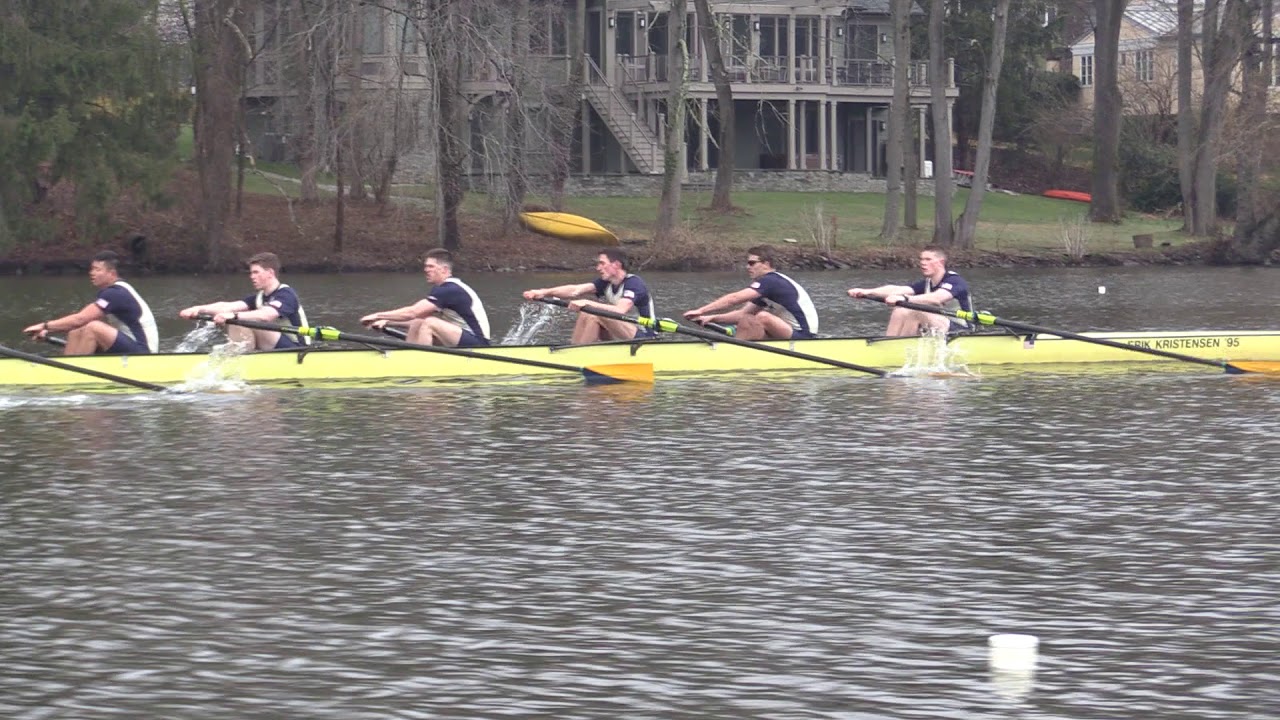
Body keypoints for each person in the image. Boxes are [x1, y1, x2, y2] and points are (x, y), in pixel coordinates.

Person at [23, 250, 159, 355]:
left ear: (111, 273)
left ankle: (74, 372)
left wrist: (45, 326)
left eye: (97, 269)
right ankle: (66, 368)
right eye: (92, 269)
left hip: (144, 353)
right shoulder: (113, 291)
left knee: (93, 327)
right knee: (76, 331)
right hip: (131, 346)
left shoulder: (116, 293)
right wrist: (49, 332)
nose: (91, 273)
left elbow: (80, 318)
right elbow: (78, 323)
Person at [359, 248, 491, 347]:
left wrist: (378, 316)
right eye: (426, 266)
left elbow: (412, 312)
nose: (426, 270)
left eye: (431, 266)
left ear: (444, 269)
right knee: (420, 321)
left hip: (479, 344)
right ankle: (408, 357)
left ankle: (420, 361)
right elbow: (415, 318)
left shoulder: (451, 289)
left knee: (429, 322)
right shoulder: (442, 289)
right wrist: (388, 322)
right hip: (461, 338)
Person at [683, 245, 818, 341]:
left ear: (766, 264)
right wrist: (711, 318)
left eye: (752, 263)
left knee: (761, 317)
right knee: (747, 318)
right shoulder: (767, 286)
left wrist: (701, 310)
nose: (748, 267)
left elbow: (734, 298)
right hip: (786, 331)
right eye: (747, 263)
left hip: (804, 335)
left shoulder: (772, 281)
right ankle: (741, 348)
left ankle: (736, 352)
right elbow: (742, 313)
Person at [178, 252, 309, 350]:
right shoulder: (258, 298)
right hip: (275, 345)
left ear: (270, 272)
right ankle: (239, 358)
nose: (252, 277)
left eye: (256, 272)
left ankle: (239, 361)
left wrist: (234, 316)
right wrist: (198, 309)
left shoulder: (286, 294)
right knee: (236, 321)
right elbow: (227, 306)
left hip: (296, 348)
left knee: (238, 321)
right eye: (251, 273)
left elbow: (267, 315)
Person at [522, 248, 657, 344]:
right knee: (586, 313)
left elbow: (621, 310)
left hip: (645, 337)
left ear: (616, 265)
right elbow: (575, 290)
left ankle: (578, 355)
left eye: (602, 263)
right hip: (623, 334)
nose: (598, 268)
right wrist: (543, 292)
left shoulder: (634, 283)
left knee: (593, 314)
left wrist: (587, 303)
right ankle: (574, 349)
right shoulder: (606, 283)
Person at [847, 245, 973, 336]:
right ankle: (889, 344)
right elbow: (897, 289)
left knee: (915, 313)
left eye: (928, 259)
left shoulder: (955, 281)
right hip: (939, 327)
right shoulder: (927, 283)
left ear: (941, 262)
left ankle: (902, 349)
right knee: (900, 310)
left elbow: (937, 298)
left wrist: (906, 299)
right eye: (921, 259)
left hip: (961, 329)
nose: (922, 263)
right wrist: (867, 291)